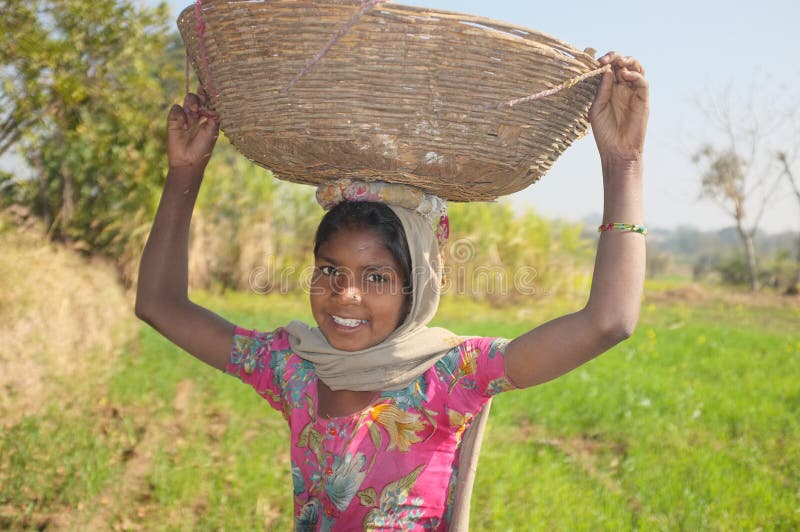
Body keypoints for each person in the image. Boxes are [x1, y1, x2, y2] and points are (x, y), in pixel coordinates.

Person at [135, 51, 648, 530]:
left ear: (415, 286)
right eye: (329, 270)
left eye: (375, 277)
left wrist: (621, 165)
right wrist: (184, 172)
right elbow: (159, 306)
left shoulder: (449, 377)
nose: (344, 296)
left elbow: (609, 322)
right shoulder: (294, 368)